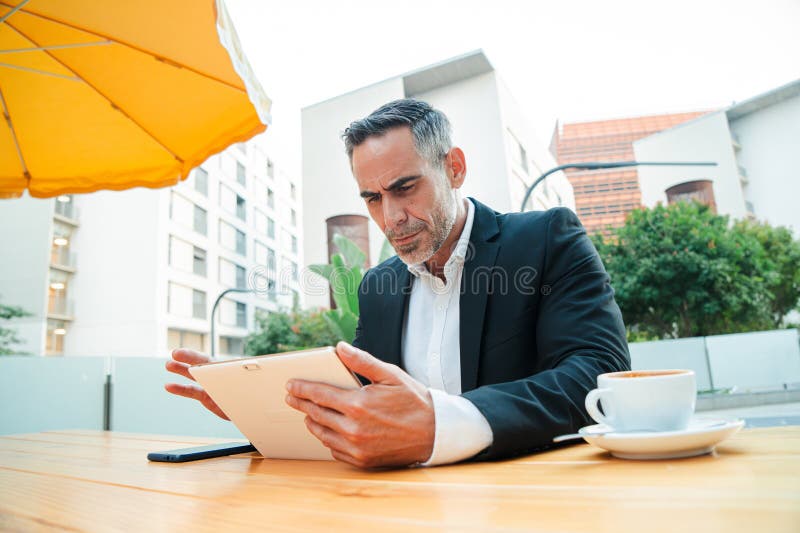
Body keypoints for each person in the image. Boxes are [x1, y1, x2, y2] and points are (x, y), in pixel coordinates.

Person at [166, 99, 630, 469]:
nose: (390, 218)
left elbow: (599, 373)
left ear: (454, 168)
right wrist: (255, 404)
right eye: (372, 198)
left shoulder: (545, 239)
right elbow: (359, 402)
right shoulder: (378, 287)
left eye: (405, 188)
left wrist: (443, 424)